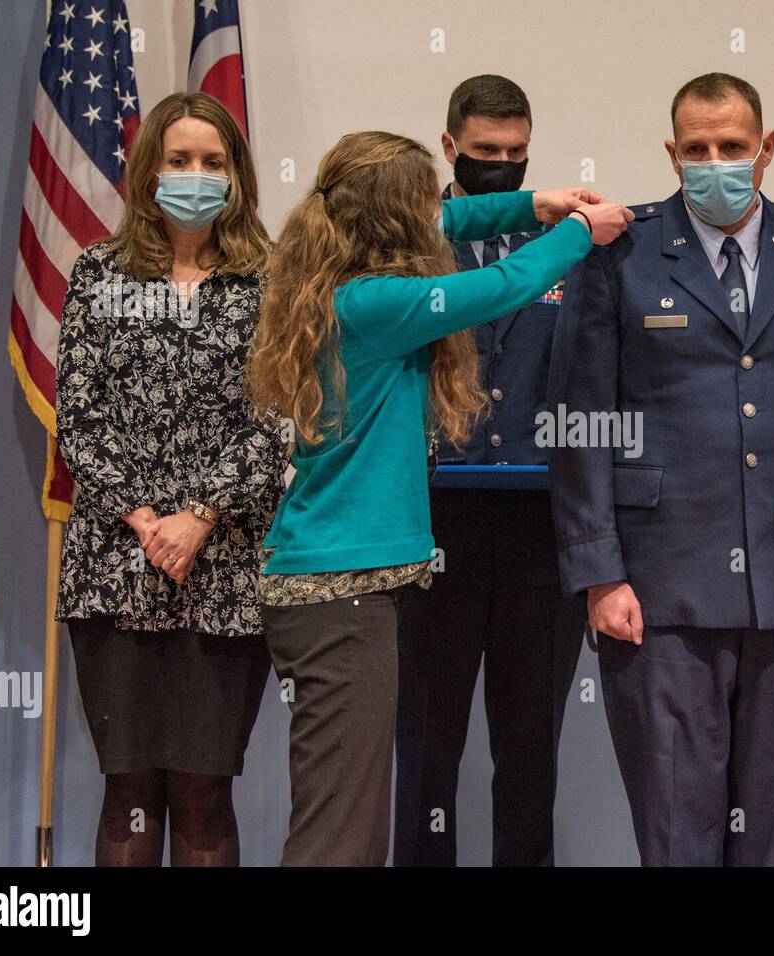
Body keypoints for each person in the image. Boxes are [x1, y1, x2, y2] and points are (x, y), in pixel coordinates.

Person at [246, 130, 632, 866]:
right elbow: (501, 286)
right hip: (341, 594)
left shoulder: (342, 283)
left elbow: (446, 224)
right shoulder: (375, 306)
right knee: (340, 838)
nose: (436, 216)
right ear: (396, 219)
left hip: (337, 589)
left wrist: (534, 202)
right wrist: (578, 229)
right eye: (422, 201)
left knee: (349, 828)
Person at [549, 73, 774, 866]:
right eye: (696, 149)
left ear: (766, 149)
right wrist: (599, 572)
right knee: (677, 834)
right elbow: (580, 423)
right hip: (658, 585)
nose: (715, 163)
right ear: (671, 153)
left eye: (732, 147)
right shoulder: (620, 249)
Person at [55, 91, 286, 867]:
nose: (196, 175)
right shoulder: (97, 273)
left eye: (213, 163)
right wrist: (146, 519)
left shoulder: (270, 280)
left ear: (238, 175)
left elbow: (281, 418)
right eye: (181, 160)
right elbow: (79, 418)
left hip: (223, 572)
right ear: (150, 169)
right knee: (128, 795)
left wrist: (200, 515)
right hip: (114, 571)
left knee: (201, 791)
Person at [394, 75, 588, 867]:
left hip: (543, 527)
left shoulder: (568, 248)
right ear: (449, 148)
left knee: (531, 757)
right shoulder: (407, 243)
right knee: (426, 753)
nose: (503, 168)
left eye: (516, 155)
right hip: (428, 523)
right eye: (484, 154)